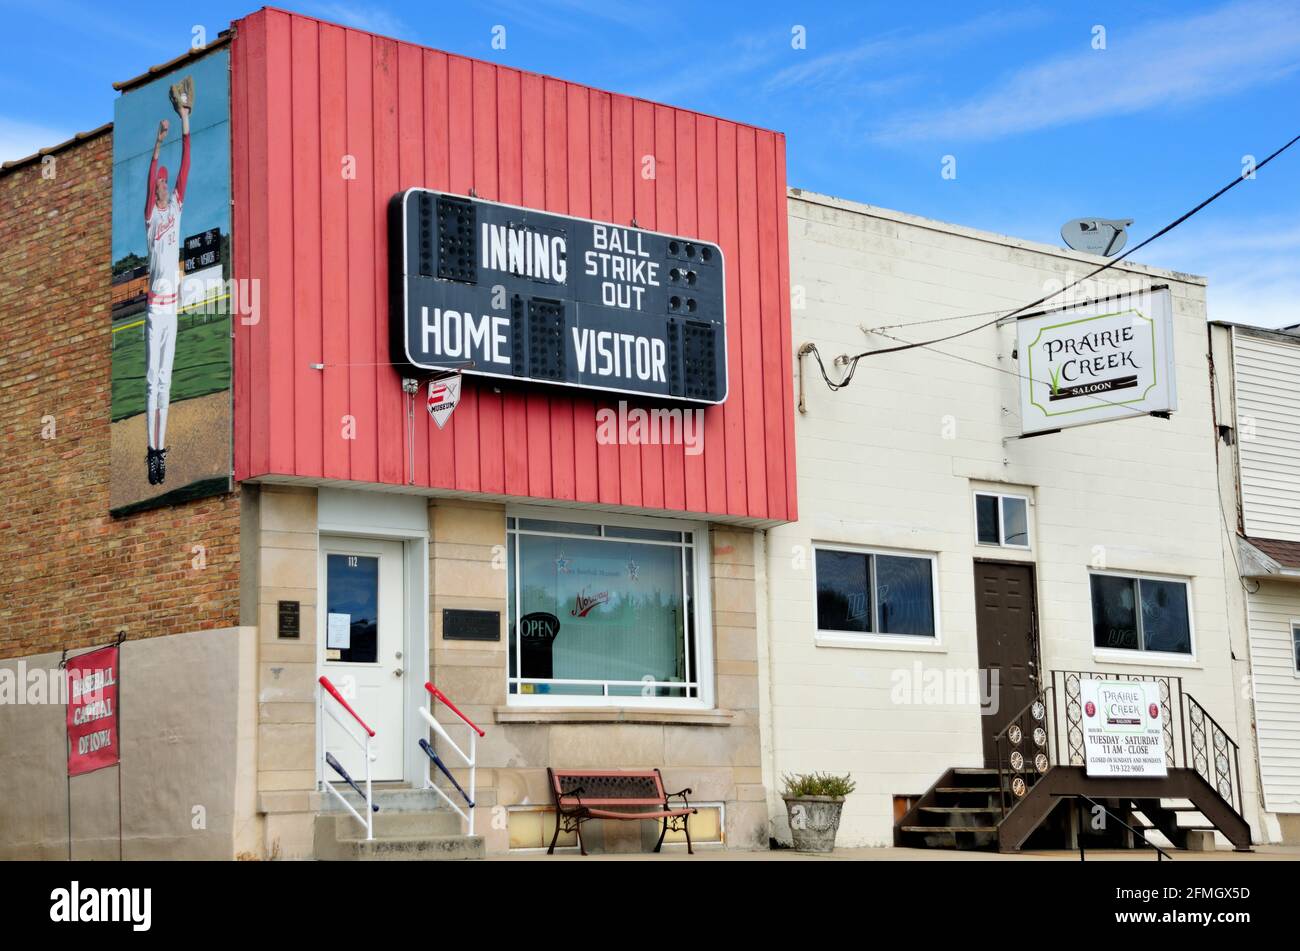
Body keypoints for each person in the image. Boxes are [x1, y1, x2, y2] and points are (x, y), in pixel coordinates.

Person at [143, 105, 190, 485]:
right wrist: (158, 144)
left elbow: (187, 166)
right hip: (153, 311)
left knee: (166, 381)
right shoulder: (153, 217)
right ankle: (151, 450)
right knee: (150, 380)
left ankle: (161, 452)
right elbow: (147, 181)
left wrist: (185, 121)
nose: (164, 182)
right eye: (161, 180)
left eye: (164, 180)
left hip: (171, 308)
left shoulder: (175, 207)